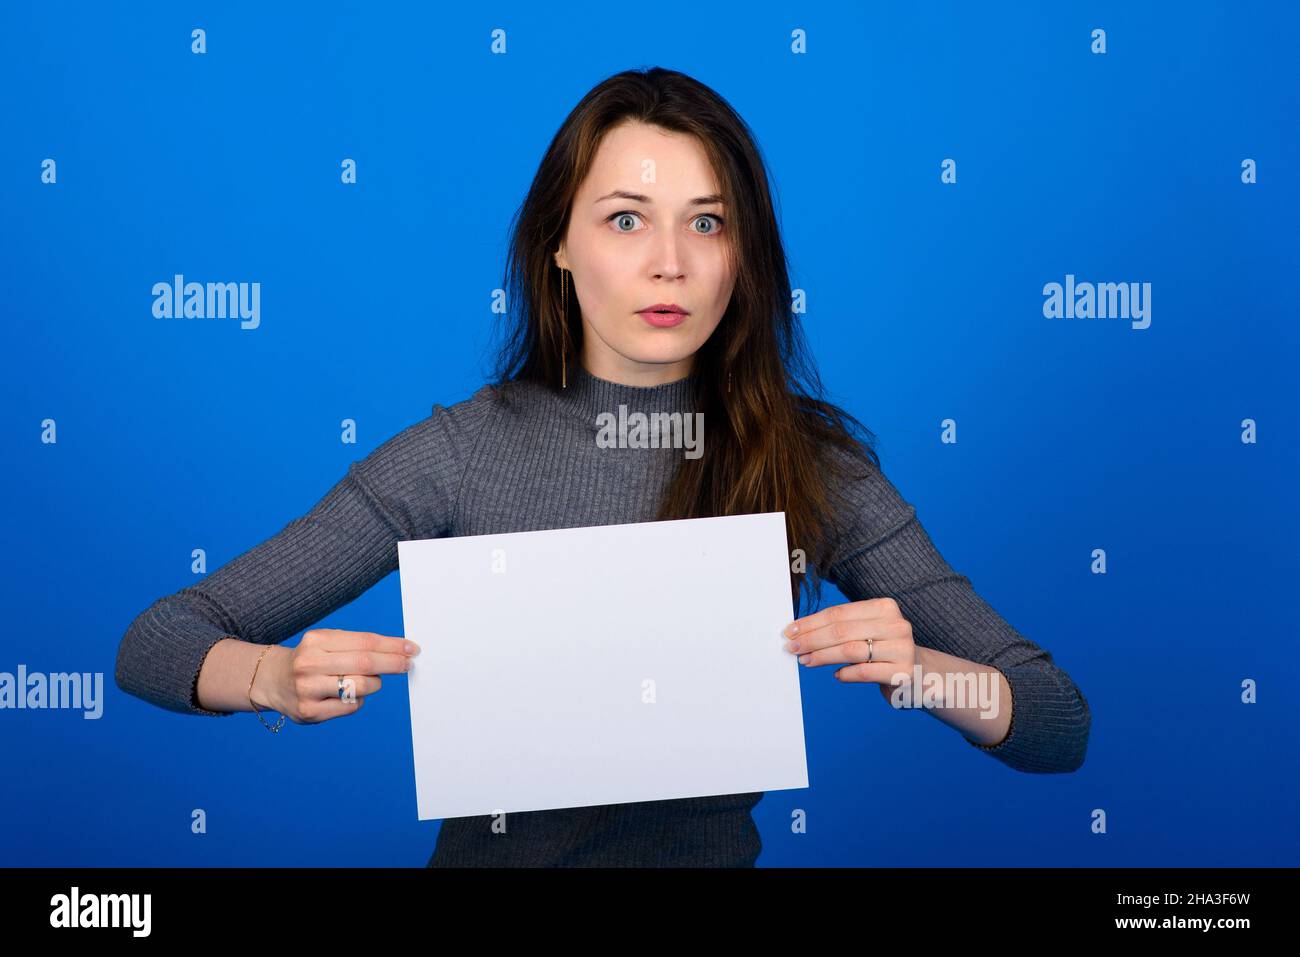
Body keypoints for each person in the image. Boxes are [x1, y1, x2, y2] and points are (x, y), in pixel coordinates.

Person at [117, 66, 1091, 867]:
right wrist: (270, 679)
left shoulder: (813, 463)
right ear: (558, 248)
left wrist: (924, 672)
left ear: (742, 257)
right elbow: (157, 643)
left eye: (706, 223)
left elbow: (1054, 722)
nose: (669, 260)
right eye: (626, 218)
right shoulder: (455, 455)